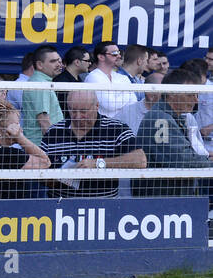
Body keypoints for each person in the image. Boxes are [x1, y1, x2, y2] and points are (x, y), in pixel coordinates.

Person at [41, 91, 145, 199]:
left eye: (83, 111)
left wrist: (99, 163)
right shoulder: (54, 132)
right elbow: (41, 171)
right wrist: (55, 178)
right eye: (72, 110)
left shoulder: (116, 129)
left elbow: (140, 160)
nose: (77, 116)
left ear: (97, 106)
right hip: (61, 209)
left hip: (104, 207)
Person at [134, 69, 213, 198]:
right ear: (171, 94)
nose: (196, 100)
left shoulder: (171, 117)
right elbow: (183, 160)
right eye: (190, 95)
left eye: (197, 95)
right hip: (162, 202)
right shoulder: (161, 119)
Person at [0, 100, 50, 200]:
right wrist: (20, 137)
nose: (20, 130)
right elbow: (45, 162)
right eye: (15, 126)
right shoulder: (6, 155)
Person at [19, 45, 64, 146]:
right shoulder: (40, 84)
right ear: (39, 65)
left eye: (59, 61)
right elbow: (44, 121)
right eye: (53, 61)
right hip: (42, 147)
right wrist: (55, 147)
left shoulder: (40, 82)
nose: (58, 64)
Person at [83, 41, 136, 119]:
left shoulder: (123, 78)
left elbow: (133, 104)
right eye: (114, 53)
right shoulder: (93, 77)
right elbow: (110, 105)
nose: (119, 56)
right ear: (101, 57)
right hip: (102, 127)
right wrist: (127, 92)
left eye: (119, 52)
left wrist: (118, 97)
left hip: (123, 125)